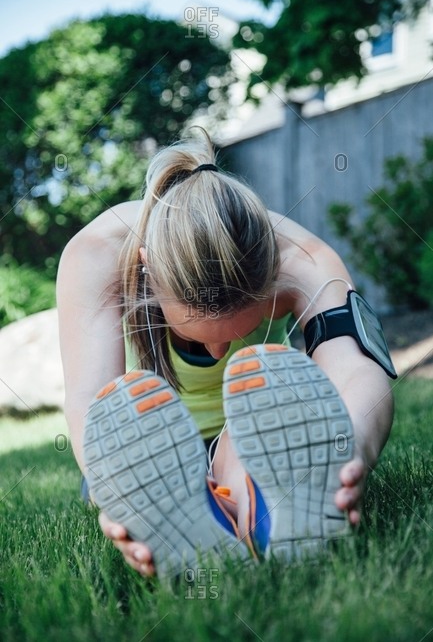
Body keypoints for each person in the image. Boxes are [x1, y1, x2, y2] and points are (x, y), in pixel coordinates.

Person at [56, 130, 394, 578]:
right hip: (149, 449)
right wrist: (115, 491)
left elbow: (357, 372)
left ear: (274, 270)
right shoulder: (95, 254)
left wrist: (352, 448)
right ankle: (214, 508)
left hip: (248, 433)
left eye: (238, 330)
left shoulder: (303, 259)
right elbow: (94, 404)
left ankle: (252, 513)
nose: (219, 351)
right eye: (197, 334)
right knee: (147, 467)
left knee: (248, 445)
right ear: (147, 268)